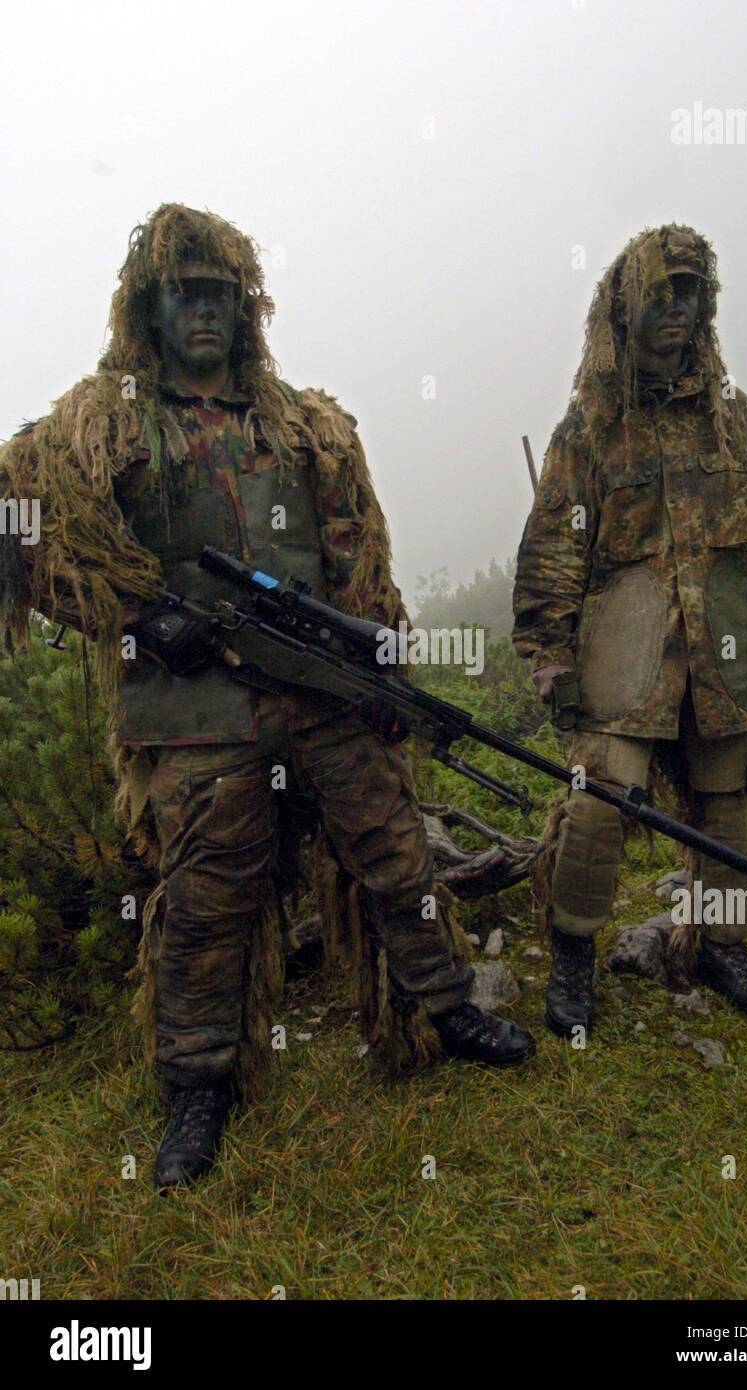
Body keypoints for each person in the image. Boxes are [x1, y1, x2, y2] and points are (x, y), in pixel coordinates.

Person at [0, 204, 534, 1188]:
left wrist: (384, 673)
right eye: (185, 294)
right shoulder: (104, 418)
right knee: (207, 892)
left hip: (319, 685)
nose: (205, 312)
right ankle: (198, 1080)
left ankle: (442, 1001)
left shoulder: (306, 422)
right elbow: (14, 520)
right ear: (147, 306)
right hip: (195, 705)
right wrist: (129, 617)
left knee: (392, 842)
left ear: (247, 308)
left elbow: (356, 561)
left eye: (221, 295)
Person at [512, 224, 747, 1039]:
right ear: (622, 311)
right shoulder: (589, 429)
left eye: (690, 293)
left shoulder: (731, 420)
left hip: (723, 645)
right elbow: (551, 555)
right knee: (598, 801)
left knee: (723, 800)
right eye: (659, 294)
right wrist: (549, 655)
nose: (676, 308)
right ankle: (573, 953)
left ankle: (724, 946)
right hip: (621, 651)